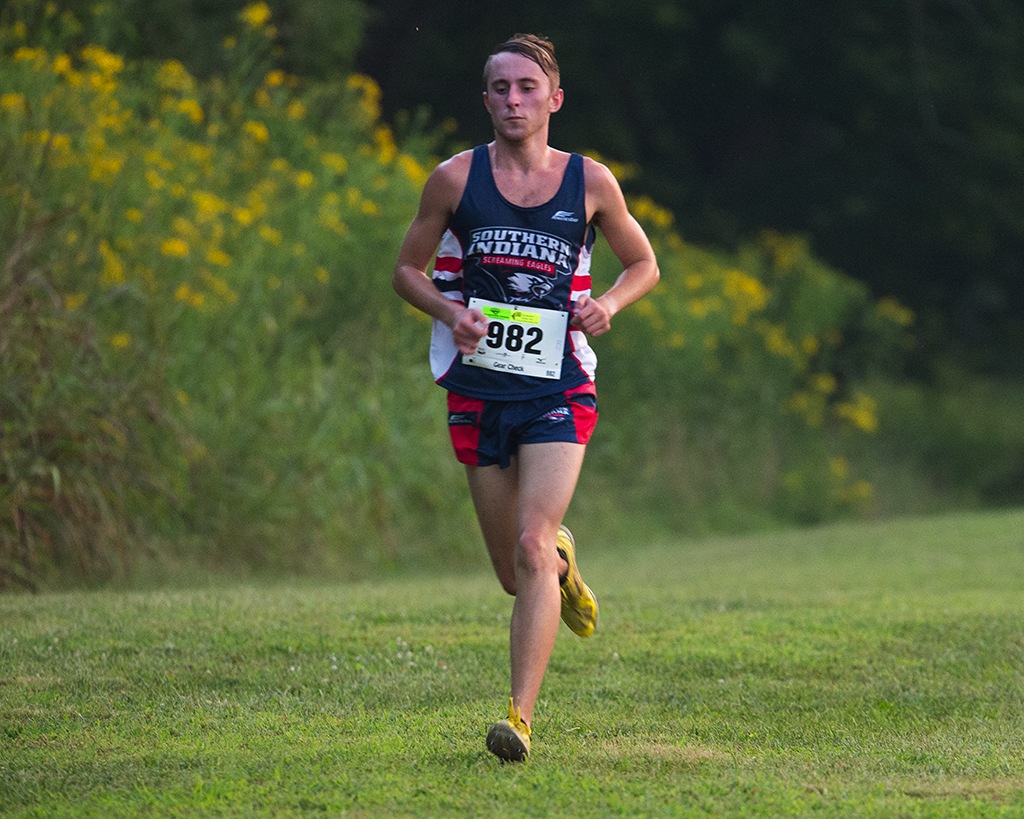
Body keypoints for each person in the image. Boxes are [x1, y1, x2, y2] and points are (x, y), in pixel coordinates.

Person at [392, 33, 659, 762]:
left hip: (558, 386)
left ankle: (519, 718)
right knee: (516, 572)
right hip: (478, 390)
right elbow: (407, 271)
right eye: (500, 89)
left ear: (554, 99)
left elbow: (644, 263)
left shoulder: (592, 182)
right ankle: (562, 566)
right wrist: (451, 313)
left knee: (532, 542)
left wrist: (608, 303)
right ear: (485, 100)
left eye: (527, 88)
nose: (514, 99)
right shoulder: (453, 180)